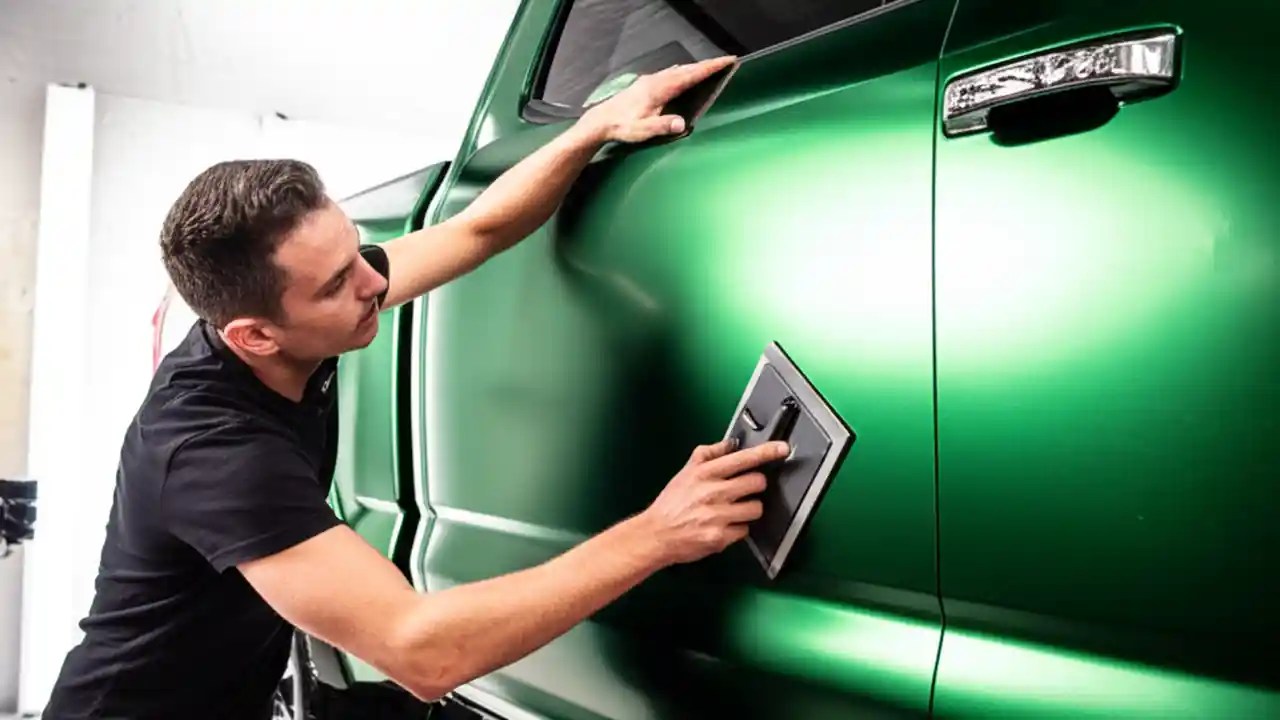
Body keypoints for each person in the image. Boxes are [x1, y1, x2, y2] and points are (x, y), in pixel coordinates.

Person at [44, 55, 788, 719]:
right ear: (254, 336)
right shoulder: (211, 450)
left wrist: (591, 129)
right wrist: (657, 534)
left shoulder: (302, 314)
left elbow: (476, 231)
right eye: (339, 282)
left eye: (354, 251)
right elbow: (423, 654)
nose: (375, 281)